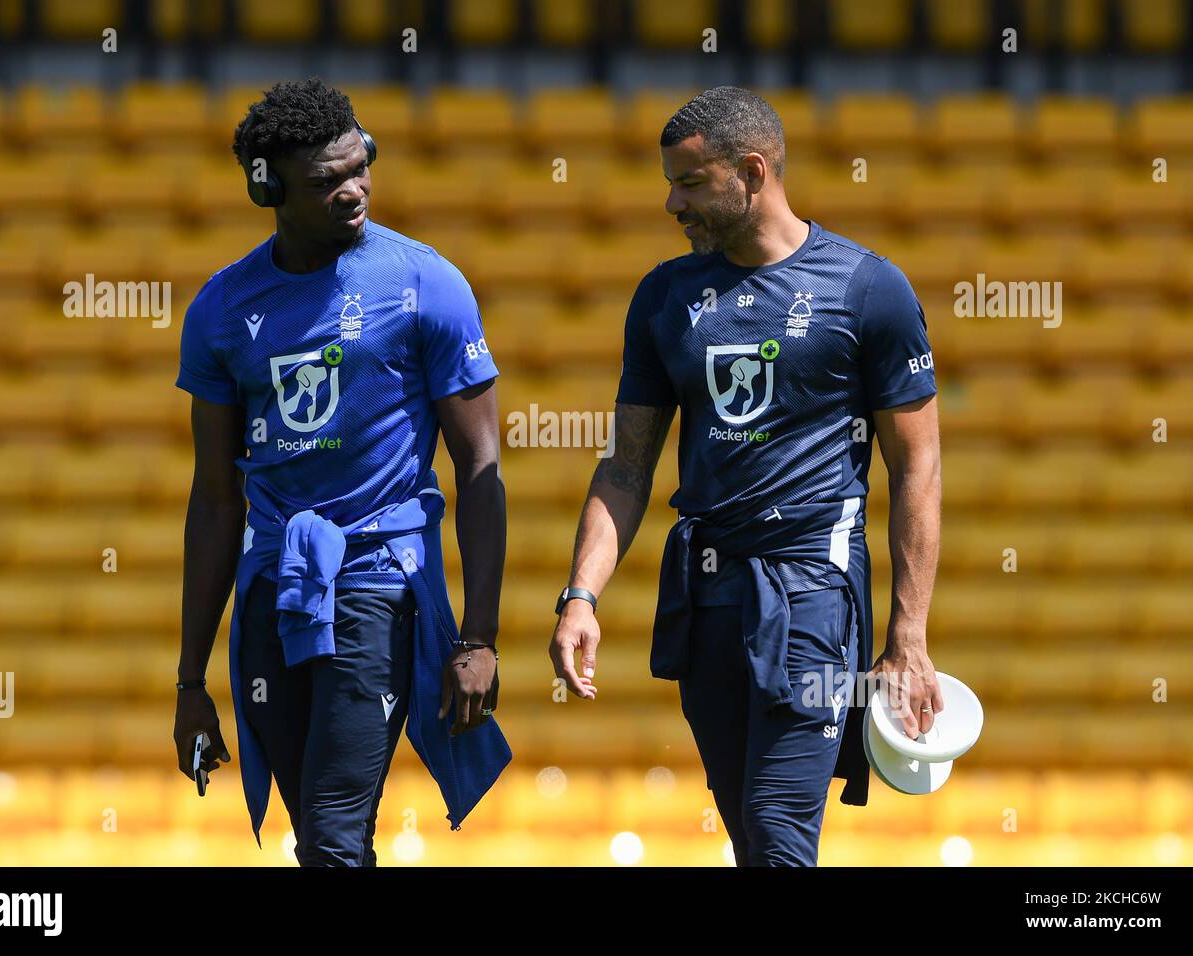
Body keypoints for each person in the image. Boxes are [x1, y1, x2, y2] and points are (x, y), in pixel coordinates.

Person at [548, 86, 943, 866]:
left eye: (690, 184)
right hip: (705, 599)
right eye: (669, 183)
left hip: (811, 594)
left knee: (775, 833)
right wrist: (580, 594)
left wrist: (909, 636)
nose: (671, 203)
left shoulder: (868, 290)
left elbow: (918, 463)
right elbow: (627, 466)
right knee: (749, 834)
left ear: (753, 171)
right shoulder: (663, 296)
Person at [171, 78, 509, 866]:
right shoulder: (220, 309)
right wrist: (191, 681)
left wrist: (480, 635)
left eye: (361, 168)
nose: (353, 190)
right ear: (267, 186)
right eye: (326, 180)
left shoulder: (428, 282)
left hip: (379, 587)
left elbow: (481, 466)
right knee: (319, 841)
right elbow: (216, 499)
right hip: (276, 593)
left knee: (333, 832)